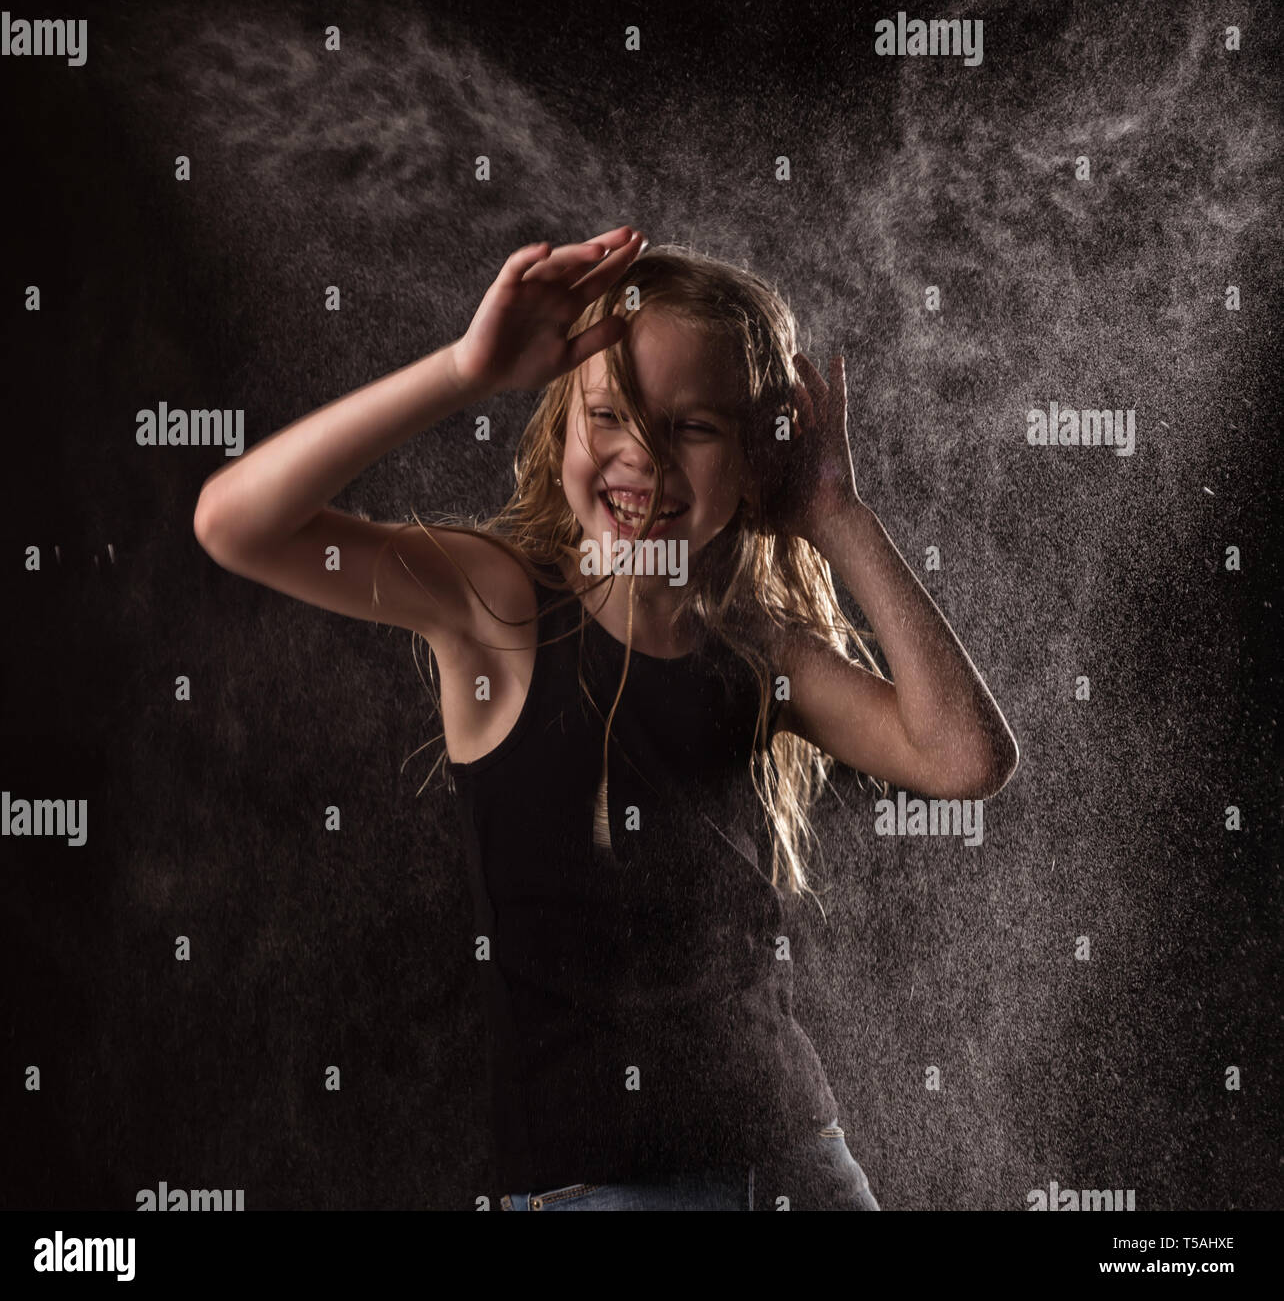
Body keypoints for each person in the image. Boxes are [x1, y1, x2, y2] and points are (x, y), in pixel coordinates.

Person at [192, 224, 1019, 1211]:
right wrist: (464, 371)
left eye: (694, 427)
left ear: (757, 456)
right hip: (599, 1191)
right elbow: (235, 523)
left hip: (800, 1164)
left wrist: (837, 512)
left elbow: (964, 757)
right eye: (610, 416)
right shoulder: (499, 606)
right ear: (560, 426)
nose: (642, 457)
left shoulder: (758, 648)